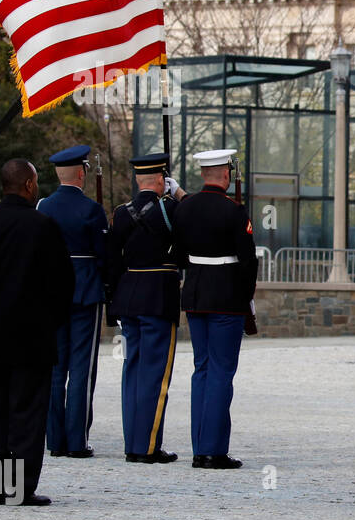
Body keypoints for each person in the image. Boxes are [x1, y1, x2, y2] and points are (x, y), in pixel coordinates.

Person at [0, 159, 74, 505]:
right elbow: (63, 284)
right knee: (26, 413)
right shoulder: (43, 227)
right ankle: (20, 487)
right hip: (31, 337)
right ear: (28, 185)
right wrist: (50, 322)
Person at [171, 149, 258, 469]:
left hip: (196, 295)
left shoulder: (186, 207)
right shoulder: (234, 211)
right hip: (226, 299)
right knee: (221, 372)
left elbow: (179, 256)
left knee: (203, 370)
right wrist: (246, 296)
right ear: (225, 174)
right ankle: (212, 451)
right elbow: (248, 261)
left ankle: (199, 445)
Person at [107, 154, 182, 464]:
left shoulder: (122, 213)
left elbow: (111, 257)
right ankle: (147, 447)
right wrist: (178, 194)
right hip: (158, 296)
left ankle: (133, 443)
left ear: (138, 181)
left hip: (128, 297)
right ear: (161, 180)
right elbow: (194, 215)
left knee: (133, 372)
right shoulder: (169, 208)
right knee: (155, 375)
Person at [37, 146, 109, 458]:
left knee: (55, 368)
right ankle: (77, 441)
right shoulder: (92, 209)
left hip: (51, 292)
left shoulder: (43, 206)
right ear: (81, 173)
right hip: (84, 290)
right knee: (81, 369)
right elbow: (104, 256)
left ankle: (55, 440)